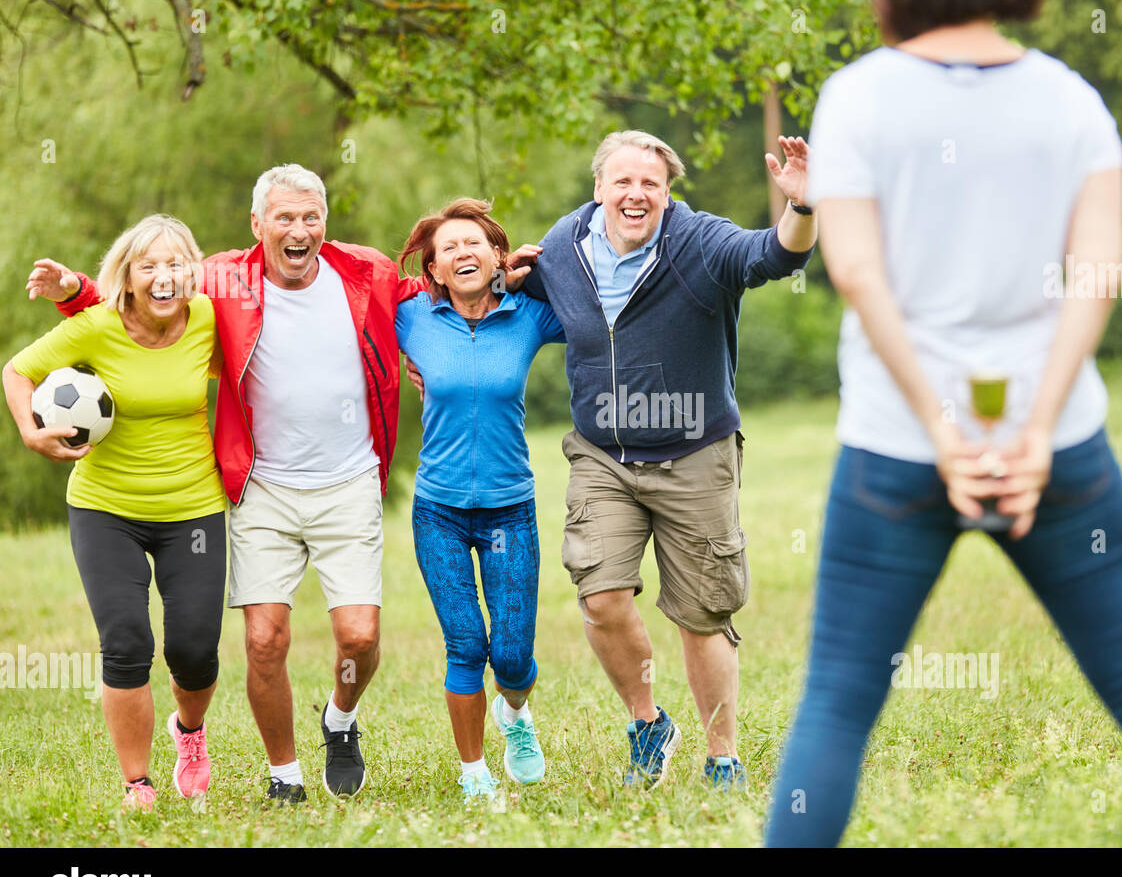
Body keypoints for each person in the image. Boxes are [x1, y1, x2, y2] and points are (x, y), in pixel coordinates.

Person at [764, 0, 1122, 846]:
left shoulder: (857, 96)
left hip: (895, 449)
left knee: (838, 701)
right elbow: (1097, 273)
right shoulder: (1071, 100)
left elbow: (859, 274)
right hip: (1058, 450)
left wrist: (944, 434)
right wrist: (1035, 431)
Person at [30, 164, 426, 804]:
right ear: (257, 225)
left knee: (359, 635)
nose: (299, 231)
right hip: (262, 486)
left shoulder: (366, 272)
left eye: (310, 217)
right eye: (284, 219)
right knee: (264, 638)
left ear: (324, 222)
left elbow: (420, 299)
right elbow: (142, 295)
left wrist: (497, 288)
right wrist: (75, 287)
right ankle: (285, 777)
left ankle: (341, 720)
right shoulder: (223, 279)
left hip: (348, 480)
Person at [513, 130, 818, 789]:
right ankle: (648, 722)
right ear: (598, 188)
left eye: (650, 184)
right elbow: (507, 293)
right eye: (622, 182)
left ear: (668, 192)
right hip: (602, 455)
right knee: (601, 597)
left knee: (702, 614)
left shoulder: (700, 243)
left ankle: (722, 758)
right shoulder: (564, 247)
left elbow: (774, 256)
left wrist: (802, 208)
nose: (635, 194)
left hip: (695, 455)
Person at [4, 215, 225, 810]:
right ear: (125, 276)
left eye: (174, 263)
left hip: (194, 511)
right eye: (148, 265)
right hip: (106, 511)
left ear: (192, 271)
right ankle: (138, 783)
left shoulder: (208, 319)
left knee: (195, 647)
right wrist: (31, 431)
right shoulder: (97, 327)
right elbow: (18, 371)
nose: (162, 276)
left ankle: (190, 733)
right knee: (126, 641)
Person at [395, 198, 565, 801]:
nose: (462, 253)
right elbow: (354, 309)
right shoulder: (410, 318)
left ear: (496, 256)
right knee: (466, 643)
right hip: (437, 507)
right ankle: (474, 775)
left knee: (513, 655)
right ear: (435, 270)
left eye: (475, 244)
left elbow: (593, 308)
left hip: (509, 508)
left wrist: (531, 274)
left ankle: (514, 715)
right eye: (449, 249)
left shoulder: (530, 316)